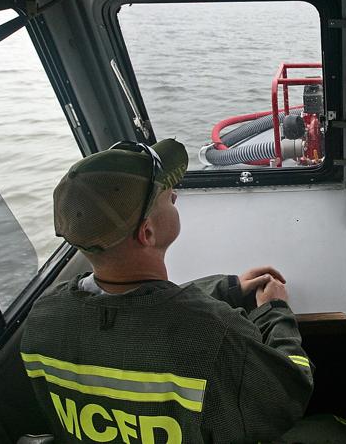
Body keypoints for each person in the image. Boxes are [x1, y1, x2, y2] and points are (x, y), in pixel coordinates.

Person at [19, 139, 313, 443]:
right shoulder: (212, 335)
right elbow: (289, 395)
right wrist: (275, 311)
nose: (174, 194)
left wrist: (227, 288)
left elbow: (135, 311)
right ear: (147, 232)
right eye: (165, 196)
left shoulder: (43, 319)